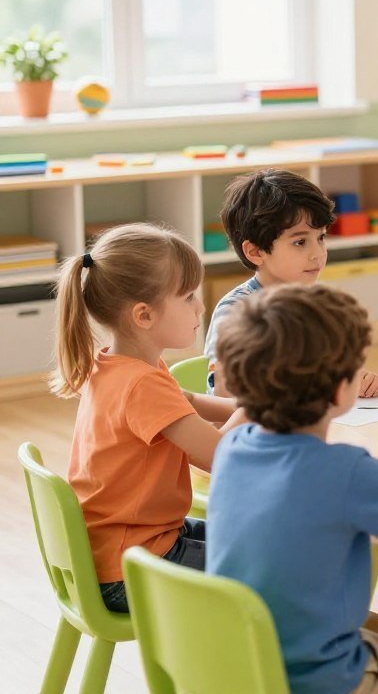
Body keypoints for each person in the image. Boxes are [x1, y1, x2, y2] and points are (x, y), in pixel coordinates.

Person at [207, 283, 378, 694]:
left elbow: (305, 494)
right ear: (339, 390)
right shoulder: (346, 473)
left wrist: (370, 476)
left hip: (234, 664)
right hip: (312, 677)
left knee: (376, 630)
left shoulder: (232, 447)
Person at [52, 223, 243, 612]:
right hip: (133, 566)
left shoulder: (117, 366)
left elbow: (187, 402)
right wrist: (266, 409)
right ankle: (294, 656)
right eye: (188, 296)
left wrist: (248, 406)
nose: (200, 306)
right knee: (271, 565)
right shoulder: (142, 385)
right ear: (143, 315)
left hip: (126, 545)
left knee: (257, 540)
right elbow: (223, 457)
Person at [203, 167, 378, 398]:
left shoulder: (316, 306)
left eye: (321, 237)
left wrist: (357, 379)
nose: (317, 253)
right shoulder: (236, 312)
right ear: (256, 251)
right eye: (300, 242)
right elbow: (226, 392)